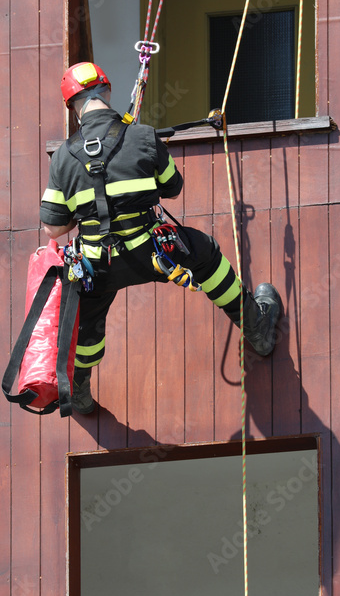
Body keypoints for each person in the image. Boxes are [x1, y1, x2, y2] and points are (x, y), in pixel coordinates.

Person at [40, 61, 282, 414]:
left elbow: (54, 228)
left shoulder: (62, 157)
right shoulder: (141, 135)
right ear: (107, 92)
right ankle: (257, 328)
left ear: (72, 107)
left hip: (97, 266)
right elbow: (172, 188)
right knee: (205, 253)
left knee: (88, 315)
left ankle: (77, 389)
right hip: (153, 253)